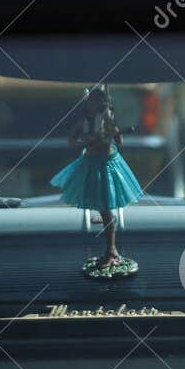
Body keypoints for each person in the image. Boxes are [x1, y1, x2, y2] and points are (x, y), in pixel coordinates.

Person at [49, 85, 142, 279]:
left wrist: (114, 132)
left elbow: (119, 141)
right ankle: (110, 248)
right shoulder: (85, 122)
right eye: (93, 101)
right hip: (91, 165)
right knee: (102, 208)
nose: (97, 105)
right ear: (88, 104)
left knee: (106, 209)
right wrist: (87, 141)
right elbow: (72, 140)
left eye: (101, 101)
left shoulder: (109, 120)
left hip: (107, 165)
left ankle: (112, 249)